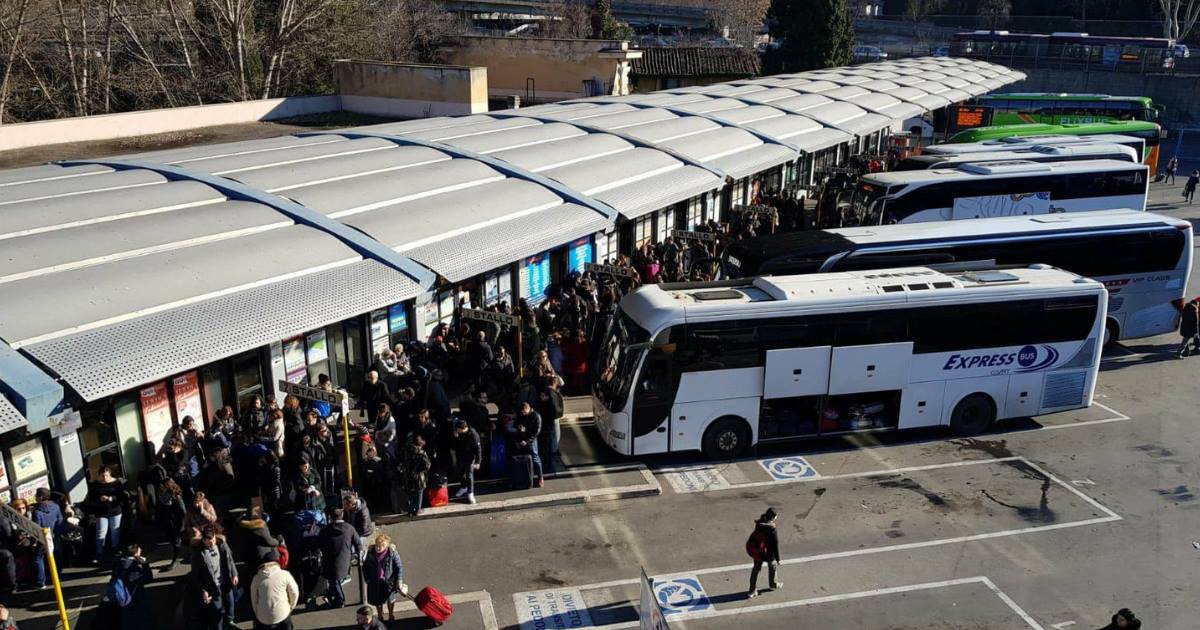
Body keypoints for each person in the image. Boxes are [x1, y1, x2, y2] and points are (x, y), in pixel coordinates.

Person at [189, 525, 238, 630]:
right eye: (208, 540)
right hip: (213, 587)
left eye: (213, 539)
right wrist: (203, 590)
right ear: (203, 540)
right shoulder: (198, 555)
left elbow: (230, 560)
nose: (211, 542)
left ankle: (230, 621)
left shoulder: (222, 545)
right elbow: (196, 576)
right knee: (216, 612)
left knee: (230, 603)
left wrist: (234, 574)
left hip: (225, 582)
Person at [319, 507, 360, 609]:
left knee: (334, 581)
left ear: (330, 517)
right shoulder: (349, 528)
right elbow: (358, 543)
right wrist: (358, 554)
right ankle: (329, 596)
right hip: (345, 559)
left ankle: (340, 600)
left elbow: (319, 543)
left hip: (329, 560)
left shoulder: (325, 530)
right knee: (336, 580)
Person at [85, 465, 127, 564]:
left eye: (106, 475)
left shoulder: (116, 483)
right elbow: (91, 498)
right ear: (99, 475)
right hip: (101, 511)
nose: (104, 478)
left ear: (110, 474)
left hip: (115, 510)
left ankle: (115, 549)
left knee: (115, 531)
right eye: (102, 476)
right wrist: (100, 499)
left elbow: (121, 495)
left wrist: (112, 498)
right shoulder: (95, 485)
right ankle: (99, 552)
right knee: (100, 532)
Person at [250, 549, 299, 630]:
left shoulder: (256, 578)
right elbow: (294, 593)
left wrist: (258, 614)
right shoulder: (285, 574)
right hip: (282, 615)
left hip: (263, 619)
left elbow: (254, 599)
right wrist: (290, 607)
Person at [361, 533, 403, 622]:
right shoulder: (370, 554)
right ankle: (380, 615)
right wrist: (367, 579)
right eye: (377, 545)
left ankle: (391, 614)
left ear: (387, 546)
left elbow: (398, 567)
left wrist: (399, 581)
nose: (378, 548)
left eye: (382, 546)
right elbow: (365, 567)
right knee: (377, 601)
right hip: (375, 582)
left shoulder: (392, 554)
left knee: (390, 600)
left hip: (389, 582)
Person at [747, 508, 782, 598]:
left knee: (756, 570)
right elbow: (775, 544)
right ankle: (773, 584)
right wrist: (778, 558)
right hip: (769, 553)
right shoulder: (772, 528)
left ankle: (752, 590)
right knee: (772, 567)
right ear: (773, 517)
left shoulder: (759, 524)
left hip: (759, 551)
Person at [30, 488, 61, 589]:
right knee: (52, 557)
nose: (35, 497)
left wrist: (34, 542)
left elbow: (36, 528)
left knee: (38, 558)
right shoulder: (56, 506)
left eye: (36, 495)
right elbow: (59, 520)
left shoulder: (37, 512)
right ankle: (56, 577)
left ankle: (41, 582)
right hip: (52, 536)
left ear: (41, 497)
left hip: (42, 538)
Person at [156, 479, 187, 570]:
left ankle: (175, 560)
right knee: (176, 541)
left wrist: (180, 526)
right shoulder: (163, 496)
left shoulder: (176, 498)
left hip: (176, 524)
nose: (161, 488)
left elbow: (183, 513)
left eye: (163, 486)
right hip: (168, 523)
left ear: (168, 486)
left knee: (176, 542)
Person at [512, 402, 545, 487]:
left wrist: (527, 441)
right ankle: (526, 477)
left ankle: (540, 477)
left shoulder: (536, 416)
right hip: (522, 438)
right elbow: (516, 423)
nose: (523, 414)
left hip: (530, 440)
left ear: (528, 409)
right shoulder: (521, 414)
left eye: (524, 412)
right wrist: (518, 426)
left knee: (535, 458)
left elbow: (536, 432)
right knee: (523, 459)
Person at [451, 419, 481, 504]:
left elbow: (478, 449)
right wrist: (455, 438)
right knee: (459, 473)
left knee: (469, 475)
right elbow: (453, 446)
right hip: (461, 457)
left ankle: (470, 493)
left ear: (462, 428)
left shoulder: (473, 435)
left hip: (470, 458)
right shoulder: (458, 434)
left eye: (457, 429)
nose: (456, 430)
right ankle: (464, 487)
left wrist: (478, 462)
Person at [401, 435, 432, 517]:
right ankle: (418, 510)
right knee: (419, 492)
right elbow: (427, 465)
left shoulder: (407, 450)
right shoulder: (421, 453)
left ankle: (410, 510)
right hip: (418, 476)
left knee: (410, 493)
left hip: (408, 475)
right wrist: (421, 471)